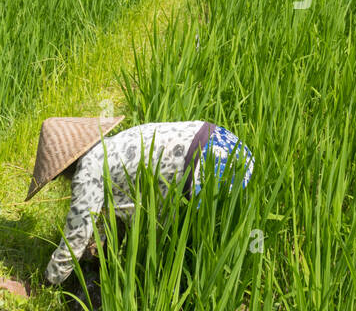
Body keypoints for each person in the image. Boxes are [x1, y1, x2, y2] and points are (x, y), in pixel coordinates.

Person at [26, 116, 255, 287]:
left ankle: (194, 289)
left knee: (193, 250)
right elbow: (123, 207)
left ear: (64, 167)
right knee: (205, 236)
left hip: (208, 165)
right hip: (229, 145)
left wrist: (47, 281)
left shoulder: (89, 169)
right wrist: (102, 246)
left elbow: (78, 232)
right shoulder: (113, 146)